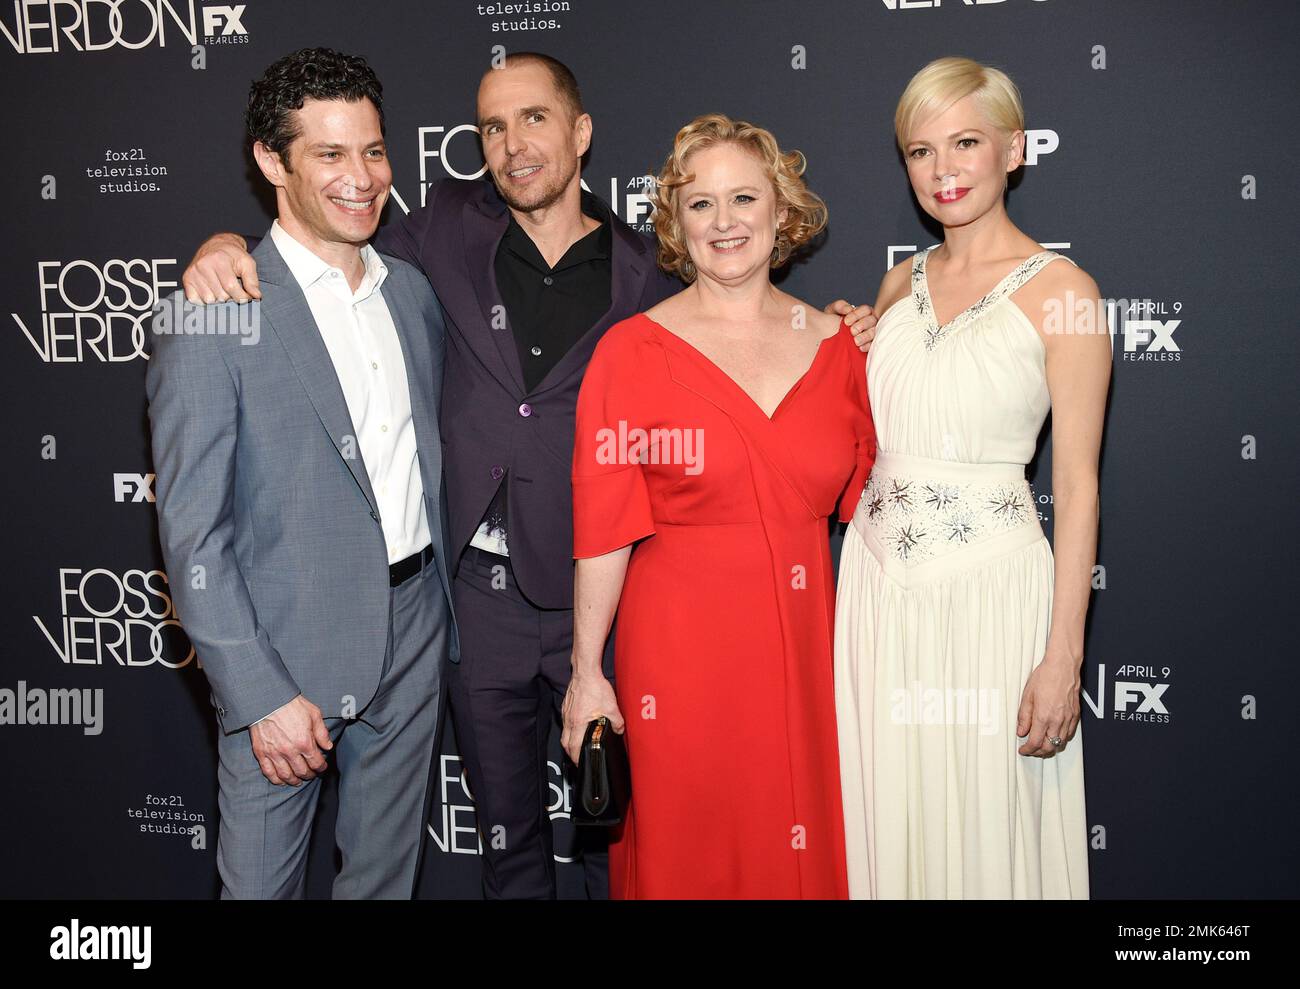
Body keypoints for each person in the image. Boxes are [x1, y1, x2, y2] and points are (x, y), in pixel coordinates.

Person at [179, 55, 878, 899]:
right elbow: (316, 253)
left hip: (609, 599)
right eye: (494, 128)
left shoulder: (646, 272)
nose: (514, 145)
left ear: (580, 133)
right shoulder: (436, 231)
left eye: (536, 119)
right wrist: (222, 246)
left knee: (610, 829)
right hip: (475, 602)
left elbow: (747, 322)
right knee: (506, 842)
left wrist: (850, 319)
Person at [146, 48, 459, 899]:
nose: (361, 178)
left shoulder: (413, 297)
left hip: (414, 627)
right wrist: (257, 694)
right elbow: (191, 532)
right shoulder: (216, 312)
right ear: (270, 161)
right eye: (329, 154)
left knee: (385, 885)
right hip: (283, 654)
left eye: (373, 150)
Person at [561, 114, 876, 899]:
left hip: (805, 648)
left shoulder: (843, 349)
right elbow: (602, 527)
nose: (725, 221)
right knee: (689, 850)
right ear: (675, 222)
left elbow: (879, 511)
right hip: (678, 655)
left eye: (744, 198)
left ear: (783, 211)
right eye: (700, 204)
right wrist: (586, 670)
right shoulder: (629, 352)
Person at [834, 56, 1109, 899]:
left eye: (965, 142)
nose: (943, 169)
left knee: (990, 823)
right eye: (921, 150)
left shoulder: (1065, 293)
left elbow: (1081, 482)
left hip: (992, 601)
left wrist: (1063, 655)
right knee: (889, 815)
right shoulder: (894, 284)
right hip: (879, 590)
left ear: (1014, 150)